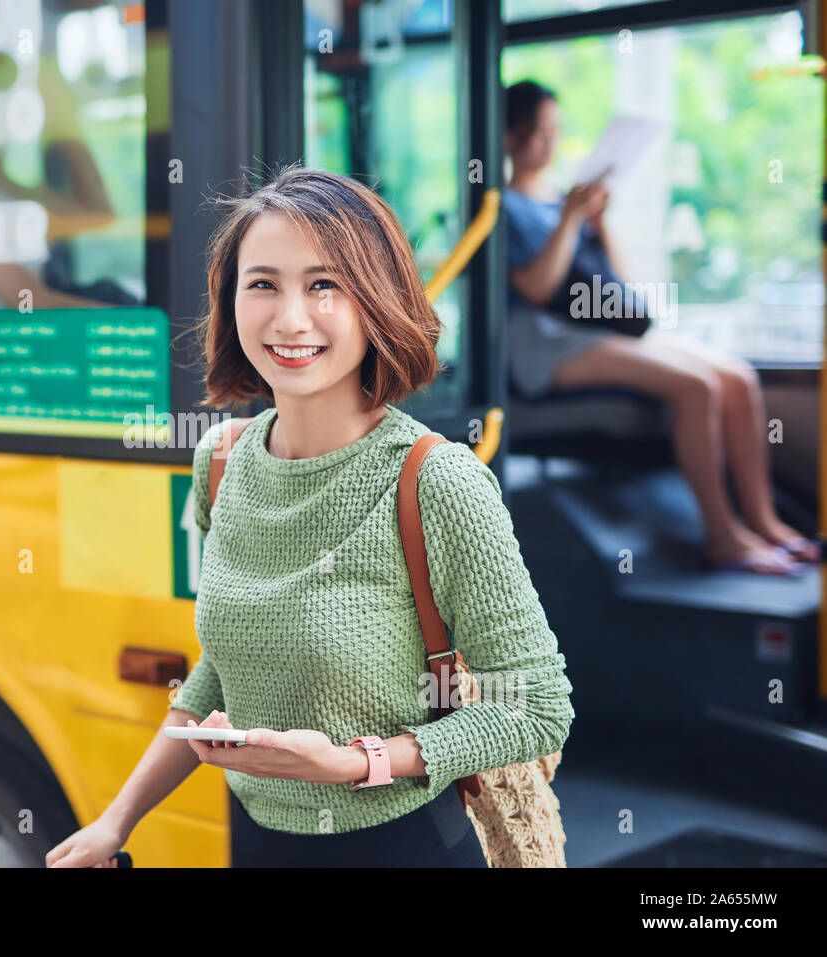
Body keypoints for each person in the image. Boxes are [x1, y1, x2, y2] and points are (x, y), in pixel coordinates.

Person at [46, 164, 574, 868]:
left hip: (404, 844)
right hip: (258, 842)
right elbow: (222, 671)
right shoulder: (222, 462)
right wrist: (117, 819)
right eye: (262, 283)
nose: (290, 318)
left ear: (374, 300)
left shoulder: (436, 481)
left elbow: (537, 705)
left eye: (324, 285)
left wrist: (359, 764)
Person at [503, 79, 820, 575]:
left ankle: (763, 520)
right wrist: (569, 220)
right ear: (510, 137)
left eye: (555, 131)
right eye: (539, 132)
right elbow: (538, 289)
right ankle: (722, 535)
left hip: (595, 330)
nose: (550, 143)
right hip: (544, 344)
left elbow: (622, 288)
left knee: (736, 375)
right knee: (695, 386)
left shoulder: (563, 201)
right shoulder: (505, 208)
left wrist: (600, 223)